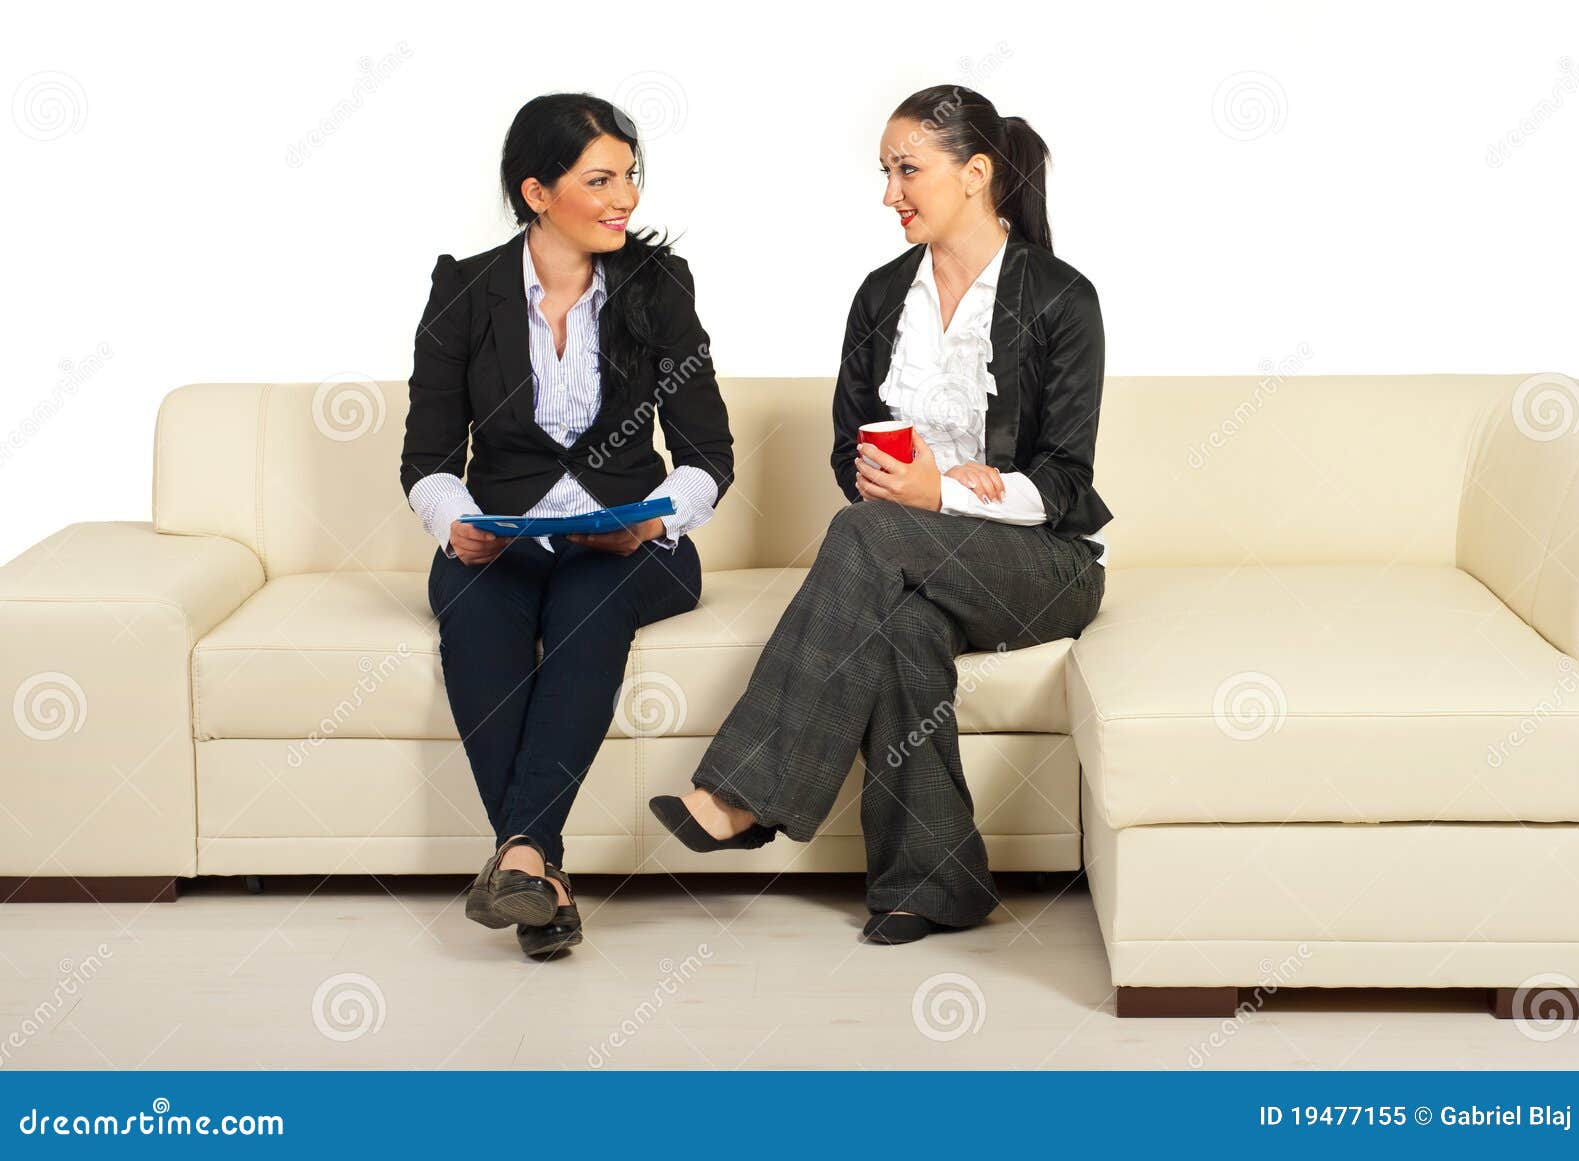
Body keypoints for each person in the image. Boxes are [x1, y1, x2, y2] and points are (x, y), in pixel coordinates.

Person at [650, 84, 1110, 944]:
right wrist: (893, 487)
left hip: (1043, 565)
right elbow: (844, 450)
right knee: (898, 621)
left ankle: (743, 794)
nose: (889, 192)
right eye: (885, 171)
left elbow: (1069, 484)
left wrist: (942, 493)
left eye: (908, 169)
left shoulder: (1059, 297)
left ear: (975, 173)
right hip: (904, 553)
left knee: (867, 541)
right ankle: (932, 885)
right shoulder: (879, 297)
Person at [402, 93, 733, 958]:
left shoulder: (658, 288)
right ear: (537, 192)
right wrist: (458, 522)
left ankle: (521, 852)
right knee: (472, 611)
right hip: (503, 545)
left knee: (589, 595)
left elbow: (710, 454)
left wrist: (654, 520)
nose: (626, 196)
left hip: (631, 550)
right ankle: (537, 873)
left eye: (630, 175)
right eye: (601, 179)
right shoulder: (465, 290)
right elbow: (428, 460)